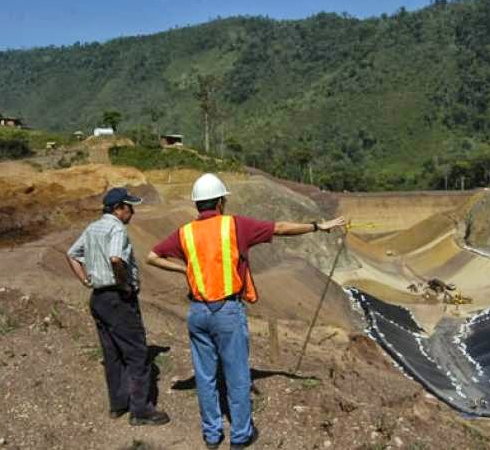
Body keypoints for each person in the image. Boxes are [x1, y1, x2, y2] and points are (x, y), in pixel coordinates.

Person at [147, 173, 345, 449]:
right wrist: (317, 225)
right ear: (219, 202)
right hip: (226, 311)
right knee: (237, 375)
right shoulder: (235, 226)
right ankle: (240, 436)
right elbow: (281, 228)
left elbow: (152, 256)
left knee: (205, 377)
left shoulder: (185, 233)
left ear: (198, 205)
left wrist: (184, 268)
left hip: (198, 313)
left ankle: (212, 435)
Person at [66, 187, 170, 426]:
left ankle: (118, 404)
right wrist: (124, 286)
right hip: (117, 299)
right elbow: (116, 258)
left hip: (99, 298)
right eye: (128, 207)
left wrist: (85, 280)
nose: (132, 212)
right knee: (137, 354)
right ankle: (141, 411)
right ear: (117, 209)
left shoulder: (92, 228)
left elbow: (72, 254)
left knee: (112, 354)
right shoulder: (116, 229)